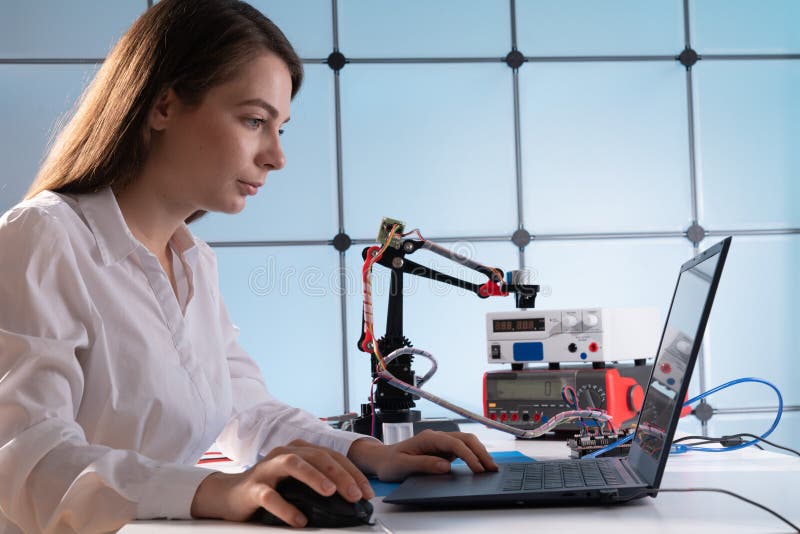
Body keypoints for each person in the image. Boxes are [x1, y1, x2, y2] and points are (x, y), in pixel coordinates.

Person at [0, 1, 498, 532]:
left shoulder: (193, 262)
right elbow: (27, 458)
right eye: (254, 120)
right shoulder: (42, 238)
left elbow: (243, 410)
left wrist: (366, 452)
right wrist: (217, 490)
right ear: (162, 105)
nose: (276, 157)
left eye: (280, 127)